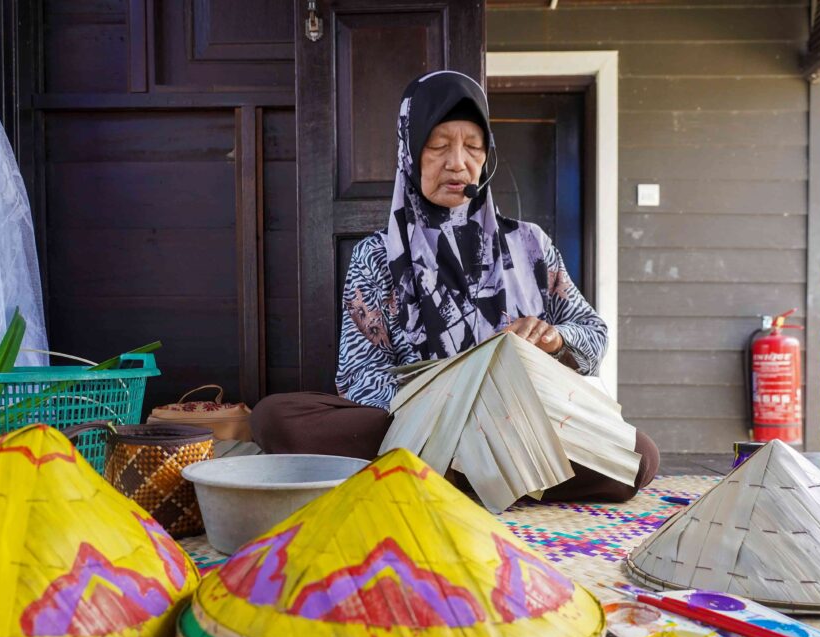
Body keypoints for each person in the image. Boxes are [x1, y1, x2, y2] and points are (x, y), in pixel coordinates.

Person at [253, 71, 658, 502]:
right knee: (273, 417)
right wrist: (450, 403)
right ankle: (492, 476)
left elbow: (594, 337)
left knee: (640, 456)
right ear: (410, 152)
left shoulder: (530, 245)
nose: (457, 162)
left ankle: (445, 476)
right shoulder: (377, 255)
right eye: (438, 145)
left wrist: (556, 339)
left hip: (516, 422)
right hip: (419, 424)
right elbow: (358, 375)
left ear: (488, 155)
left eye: (473, 146)